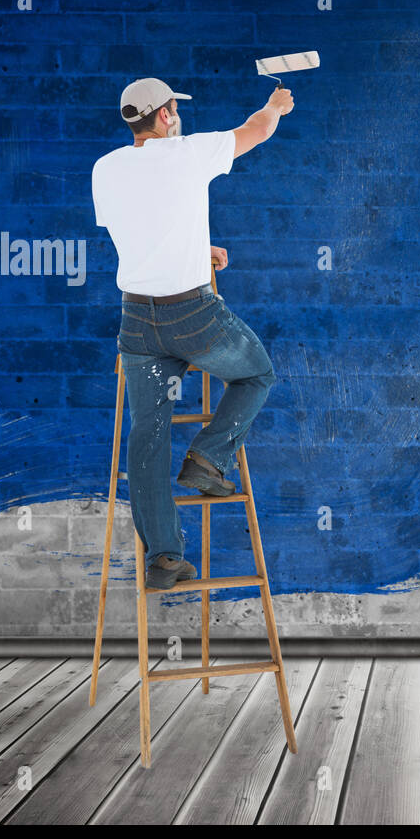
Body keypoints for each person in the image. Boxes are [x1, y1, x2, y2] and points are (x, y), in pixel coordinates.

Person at [91, 77, 295, 590]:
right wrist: (275, 105)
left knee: (148, 437)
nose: (176, 115)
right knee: (257, 374)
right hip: (193, 316)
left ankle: (163, 558)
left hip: (137, 322)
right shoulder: (190, 152)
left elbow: (139, 229)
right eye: (174, 109)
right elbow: (256, 130)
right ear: (164, 115)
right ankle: (207, 460)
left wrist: (194, 250)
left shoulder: (106, 169)